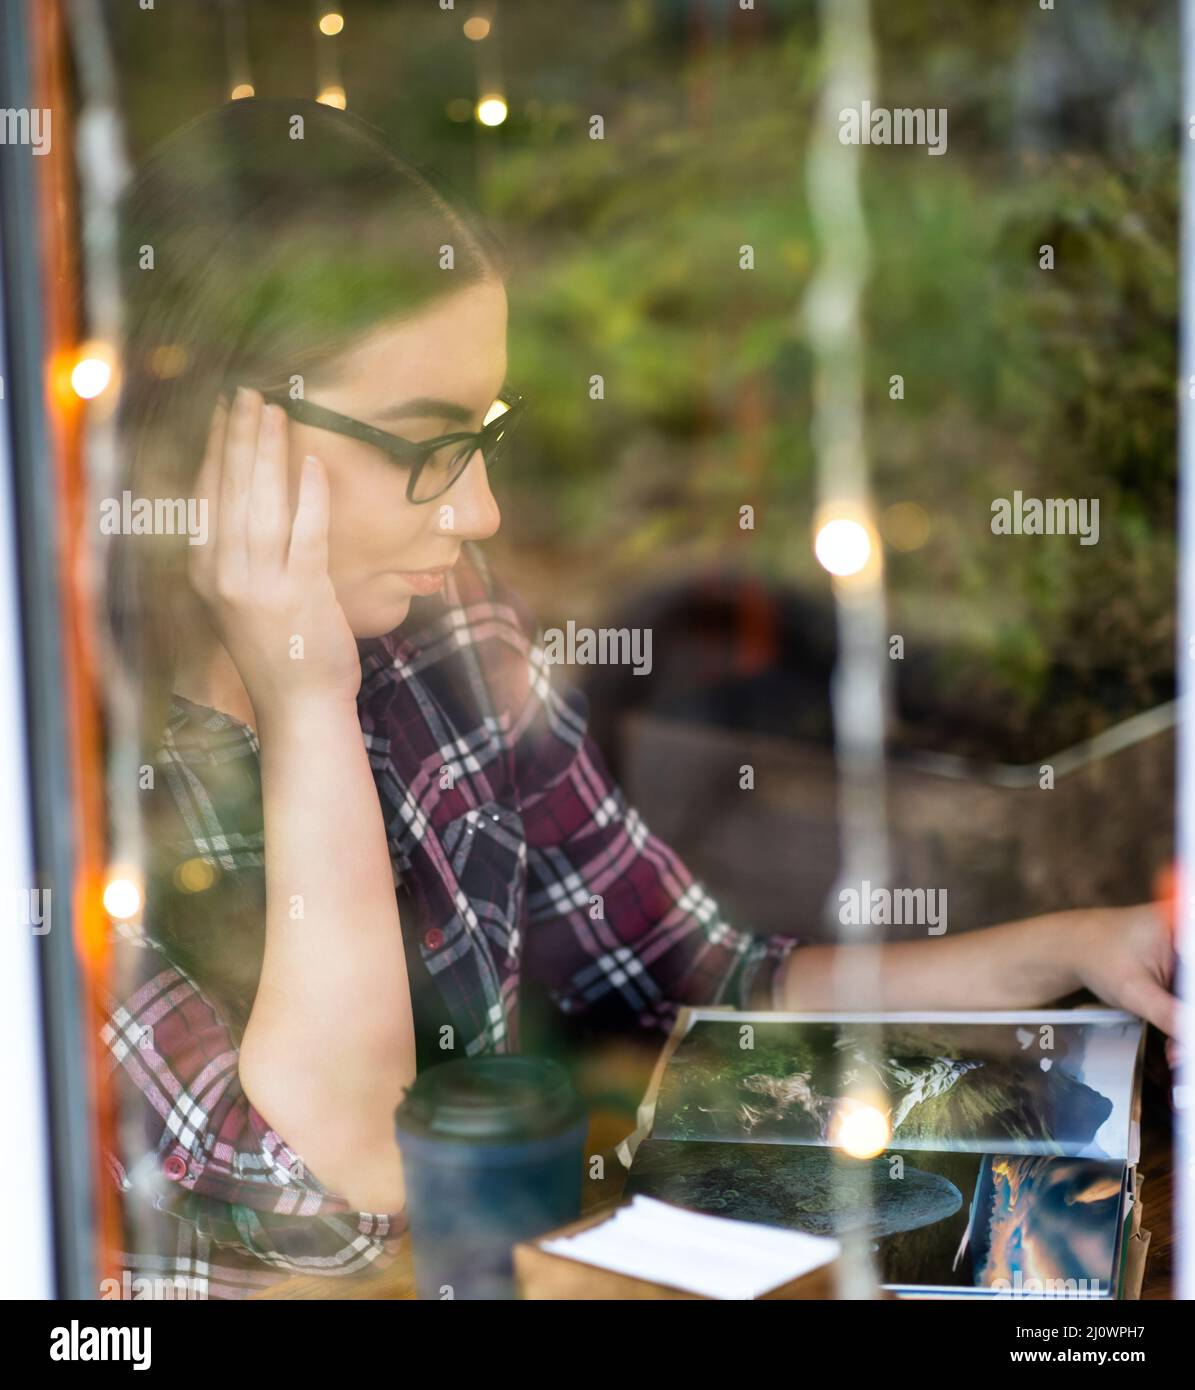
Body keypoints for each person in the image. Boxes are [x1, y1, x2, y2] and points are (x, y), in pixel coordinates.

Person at [102, 98, 1177, 1299]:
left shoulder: (444, 631)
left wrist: (1074, 948)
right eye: (425, 445)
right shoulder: (60, 791)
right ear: (214, 439)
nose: (477, 515)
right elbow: (355, 1197)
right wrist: (304, 706)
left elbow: (695, 978)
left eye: (484, 438)